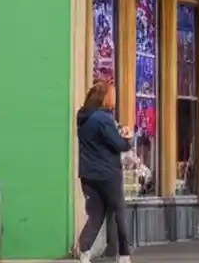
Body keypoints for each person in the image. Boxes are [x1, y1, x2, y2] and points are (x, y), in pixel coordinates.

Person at [76, 81, 133, 263]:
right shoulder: (103, 119)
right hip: (108, 174)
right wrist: (127, 137)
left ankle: (84, 250)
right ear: (105, 98)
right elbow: (118, 144)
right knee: (119, 212)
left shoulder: (83, 119)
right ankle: (123, 254)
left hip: (88, 174)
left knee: (95, 215)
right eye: (112, 96)